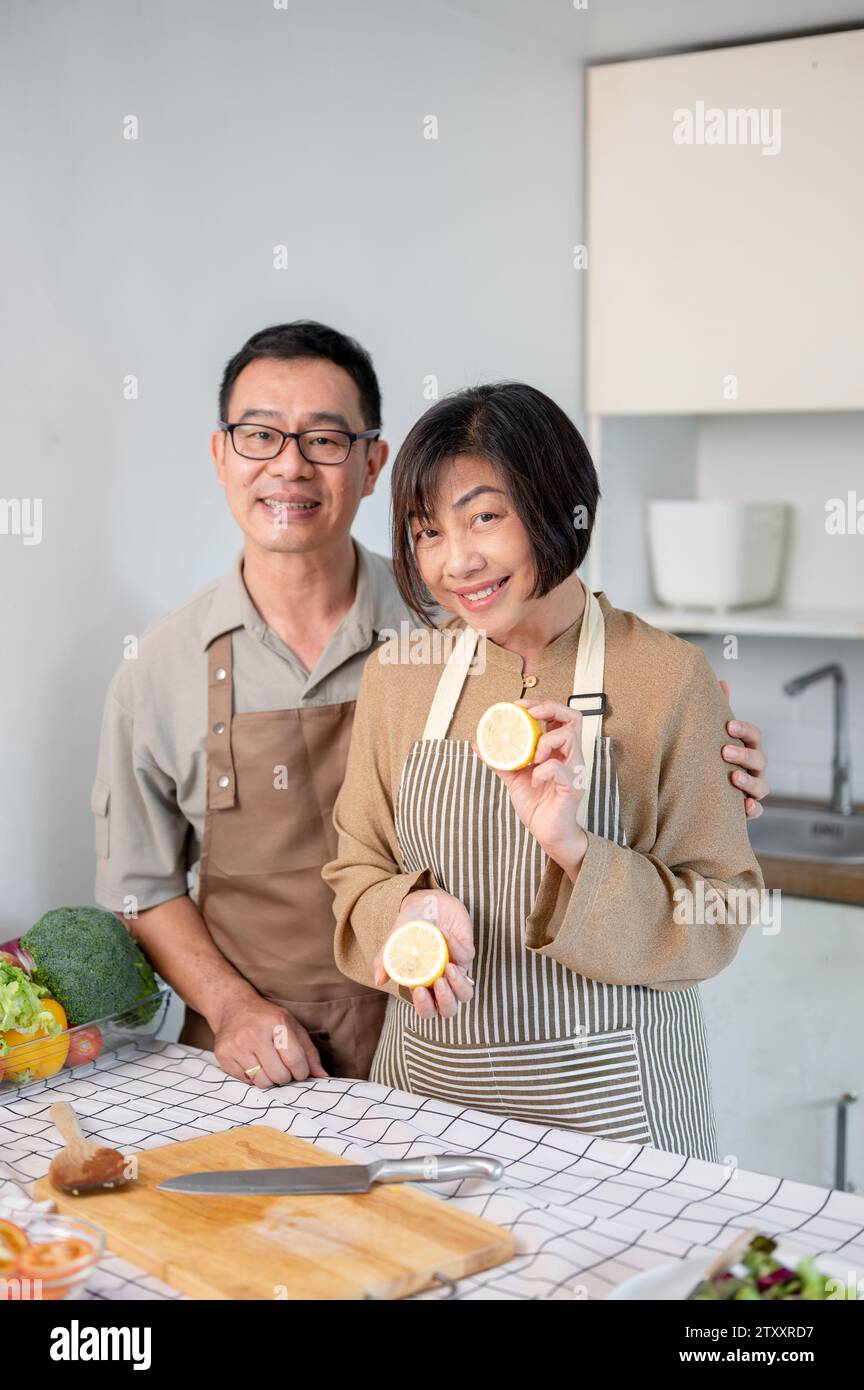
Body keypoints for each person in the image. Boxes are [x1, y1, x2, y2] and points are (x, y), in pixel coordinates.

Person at [93, 324, 769, 1093]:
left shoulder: (481, 631)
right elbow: (146, 885)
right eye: (259, 435)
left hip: (544, 1076)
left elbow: (710, 893)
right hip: (295, 1059)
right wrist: (381, 924)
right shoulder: (179, 666)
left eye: (323, 438)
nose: (289, 464)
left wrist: (702, 775)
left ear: (371, 462)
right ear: (220, 455)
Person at [322, 382, 766, 1159]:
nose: (457, 561)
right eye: (428, 532)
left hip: (617, 1119)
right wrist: (404, 911)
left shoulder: (667, 677)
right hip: (426, 1108)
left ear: (559, 505)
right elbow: (355, 866)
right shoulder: (399, 678)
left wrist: (578, 852)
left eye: (485, 517)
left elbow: (720, 911)